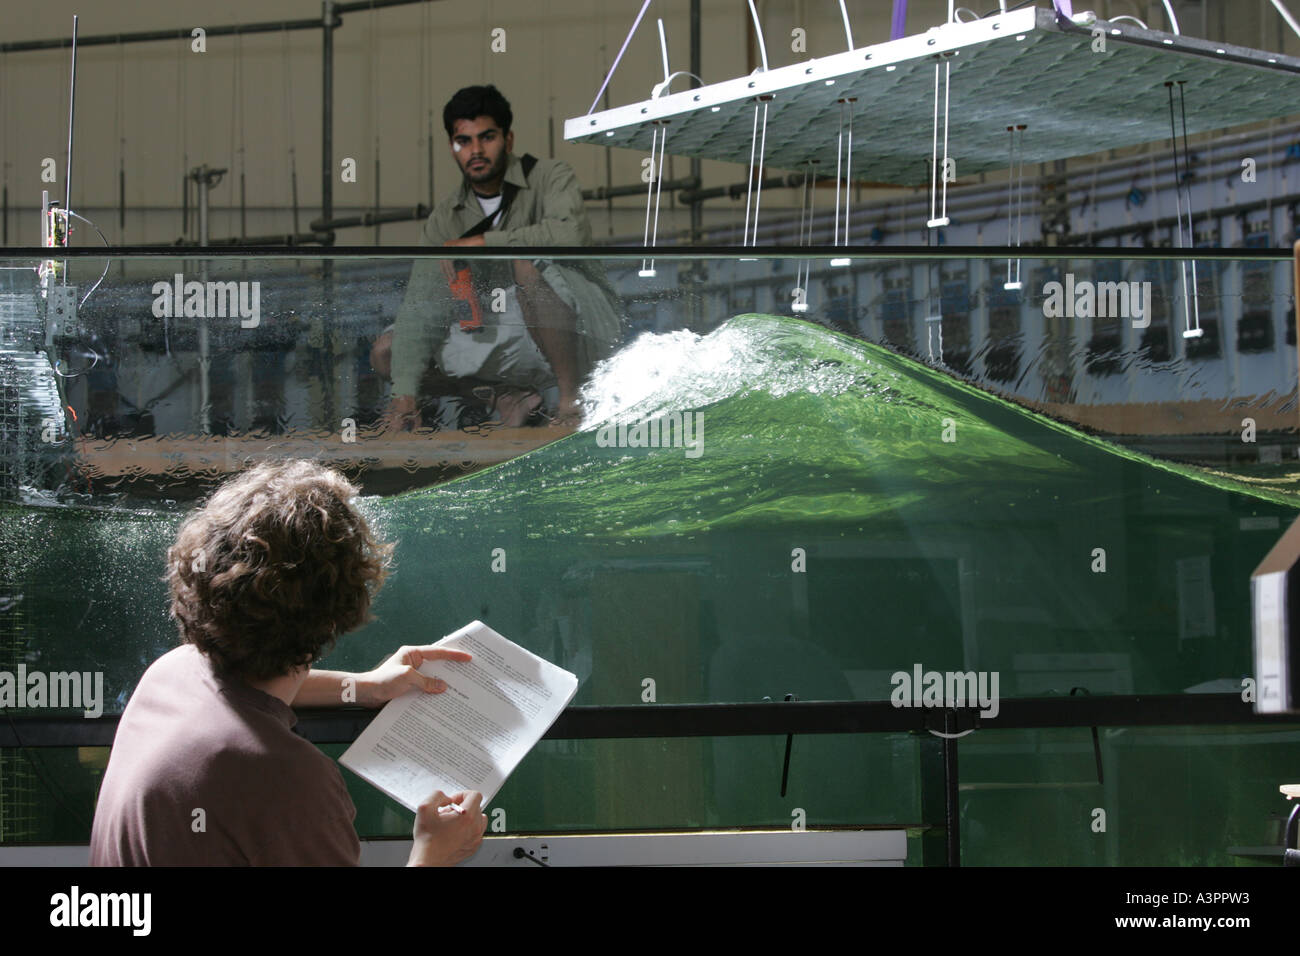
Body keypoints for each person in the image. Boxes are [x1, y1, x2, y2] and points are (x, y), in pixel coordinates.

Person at [88, 459, 487, 866]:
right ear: (337, 614)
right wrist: (433, 854)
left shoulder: (171, 674)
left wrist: (365, 686)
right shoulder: (287, 777)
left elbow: (251, 692)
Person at [374, 84, 622, 430]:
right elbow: (422, 305)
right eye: (464, 141)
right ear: (452, 147)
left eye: (486, 137)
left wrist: (483, 242)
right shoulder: (445, 219)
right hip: (501, 331)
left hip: (580, 326)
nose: (475, 150)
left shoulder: (552, 176)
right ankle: (505, 395)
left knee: (525, 264)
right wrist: (404, 395)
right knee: (387, 353)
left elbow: (570, 234)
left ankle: (570, 402)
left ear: (508, 139)